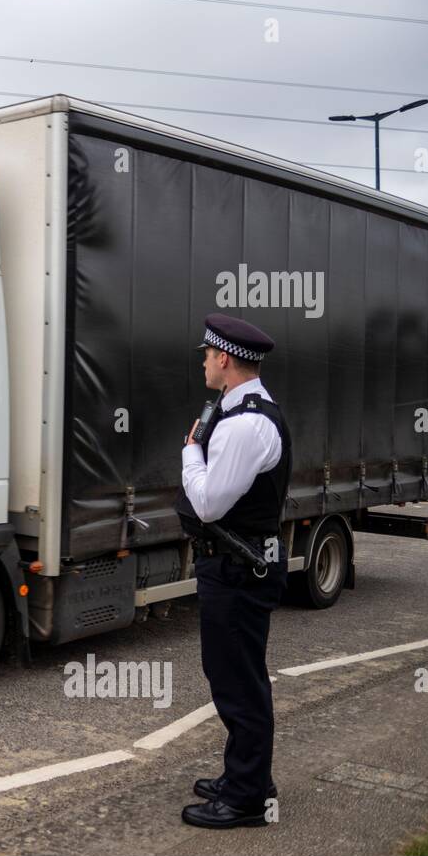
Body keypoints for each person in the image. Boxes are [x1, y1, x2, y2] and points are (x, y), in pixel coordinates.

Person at [175, 312, 291, 829]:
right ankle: (245, 776)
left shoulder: (246, 424)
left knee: (239, 683)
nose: (203, 361)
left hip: (240, 569)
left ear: (224, 358)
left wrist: (190, 454)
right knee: (233, 676)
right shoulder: (241, 412)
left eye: (206, 354)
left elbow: (208, 505)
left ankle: (247, 798)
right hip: (237, 566)